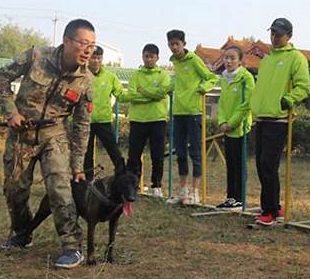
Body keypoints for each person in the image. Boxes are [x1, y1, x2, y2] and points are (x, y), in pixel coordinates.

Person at [0, 19, 96, 268]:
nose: (88, 50)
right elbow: (2, 77)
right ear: (66, 40)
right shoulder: (36, 56)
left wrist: (77, 165)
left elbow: (82, 126)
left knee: (60, 189)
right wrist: (11, 113)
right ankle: (21, 233)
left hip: (55, 135)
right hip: (22, 134)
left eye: (92, 46)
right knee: (15, 190)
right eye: (83, 43)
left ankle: (72, 247)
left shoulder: (86, 81)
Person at [249, 18, 310, 226]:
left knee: (268, 164)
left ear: (289, 36)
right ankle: (273, 206)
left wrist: (289, 100)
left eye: (279, 34)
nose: (274, 37)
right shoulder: (265, 60)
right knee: (260, 164)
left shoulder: (296, 58)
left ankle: (270, 210)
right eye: (272, 33)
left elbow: (303, 86)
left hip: (279, 119)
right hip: (261, 117)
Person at [166, 29, 218, 204]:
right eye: (171, 44)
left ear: (184, 44)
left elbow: (211, 78)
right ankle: (183, 190)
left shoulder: (194, 60)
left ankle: (195, 192)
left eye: (177, 44)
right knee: (180, 153)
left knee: (195, 152)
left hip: (194, 112)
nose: (174, 47)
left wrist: (203, 88)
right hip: (178, 112)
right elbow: (175, 82)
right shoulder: (175, 63)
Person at [122, 44, 171, 197]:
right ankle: (133, 184)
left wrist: (143, 92)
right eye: (146, 56)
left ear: (157, 58)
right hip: (138, 120)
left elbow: (161, 94)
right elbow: (132, 96)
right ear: (142, 57)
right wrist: (151, 96)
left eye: (152, 56)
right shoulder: (136, 75)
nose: (148, 59)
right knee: (134, 155)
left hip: (158, 119)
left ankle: (156, 185)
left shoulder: (163, 75)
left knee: (157, 154)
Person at [215, 46, 255, 209]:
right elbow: (222, 102)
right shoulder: (224, 78)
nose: (228, 61)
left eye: (232, 58)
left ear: (240, 60)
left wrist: (232, 123)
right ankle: (231, 197)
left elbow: (246, 104)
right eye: (226, 58)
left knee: (239, 164)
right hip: (227, 128)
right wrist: (222, 121)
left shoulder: (246, 78)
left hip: (240, 128)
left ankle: (239, 197)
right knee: (230, 164)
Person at [83, 45, 126, 182]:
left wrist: (139, 96)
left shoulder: (110, 77)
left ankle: (122, 176)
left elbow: (121, 95)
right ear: (88, 59)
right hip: (85, 120)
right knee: (86, 152)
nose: (96, 61)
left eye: (99, 58)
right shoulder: (81, 74)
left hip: (103, 120)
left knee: (113, 149)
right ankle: (88, 180)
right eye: (93, 58)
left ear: (102, 59)